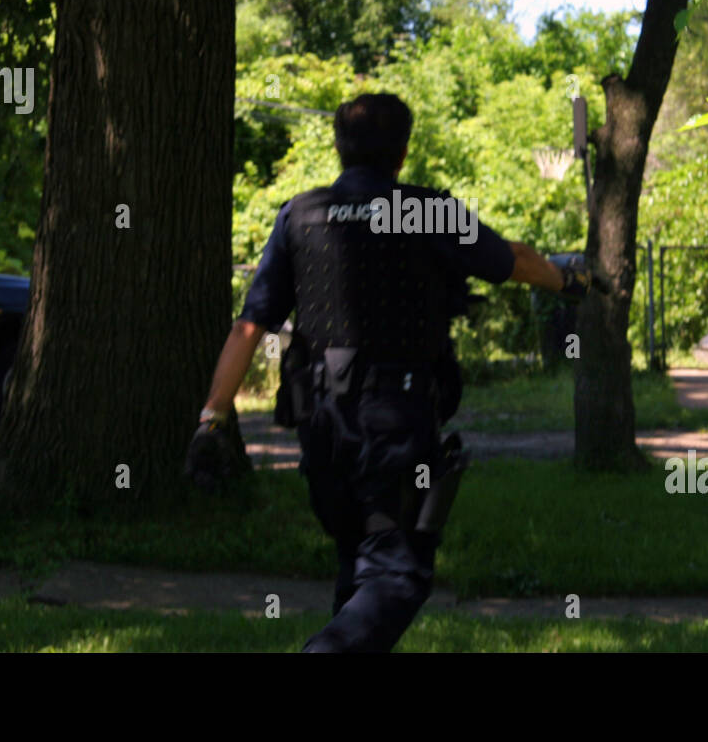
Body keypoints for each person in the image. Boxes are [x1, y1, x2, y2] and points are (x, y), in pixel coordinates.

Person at [186, 92, 593, 652]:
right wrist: (571, 282)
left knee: (358, 567)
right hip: (392, 427)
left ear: (339, 148)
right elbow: (515, 261)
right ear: (402, 154)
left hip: (321, 427)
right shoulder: (426, 211)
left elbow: (248, 330)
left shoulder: (299, 215)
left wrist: (211, 420)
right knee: (398, 574)